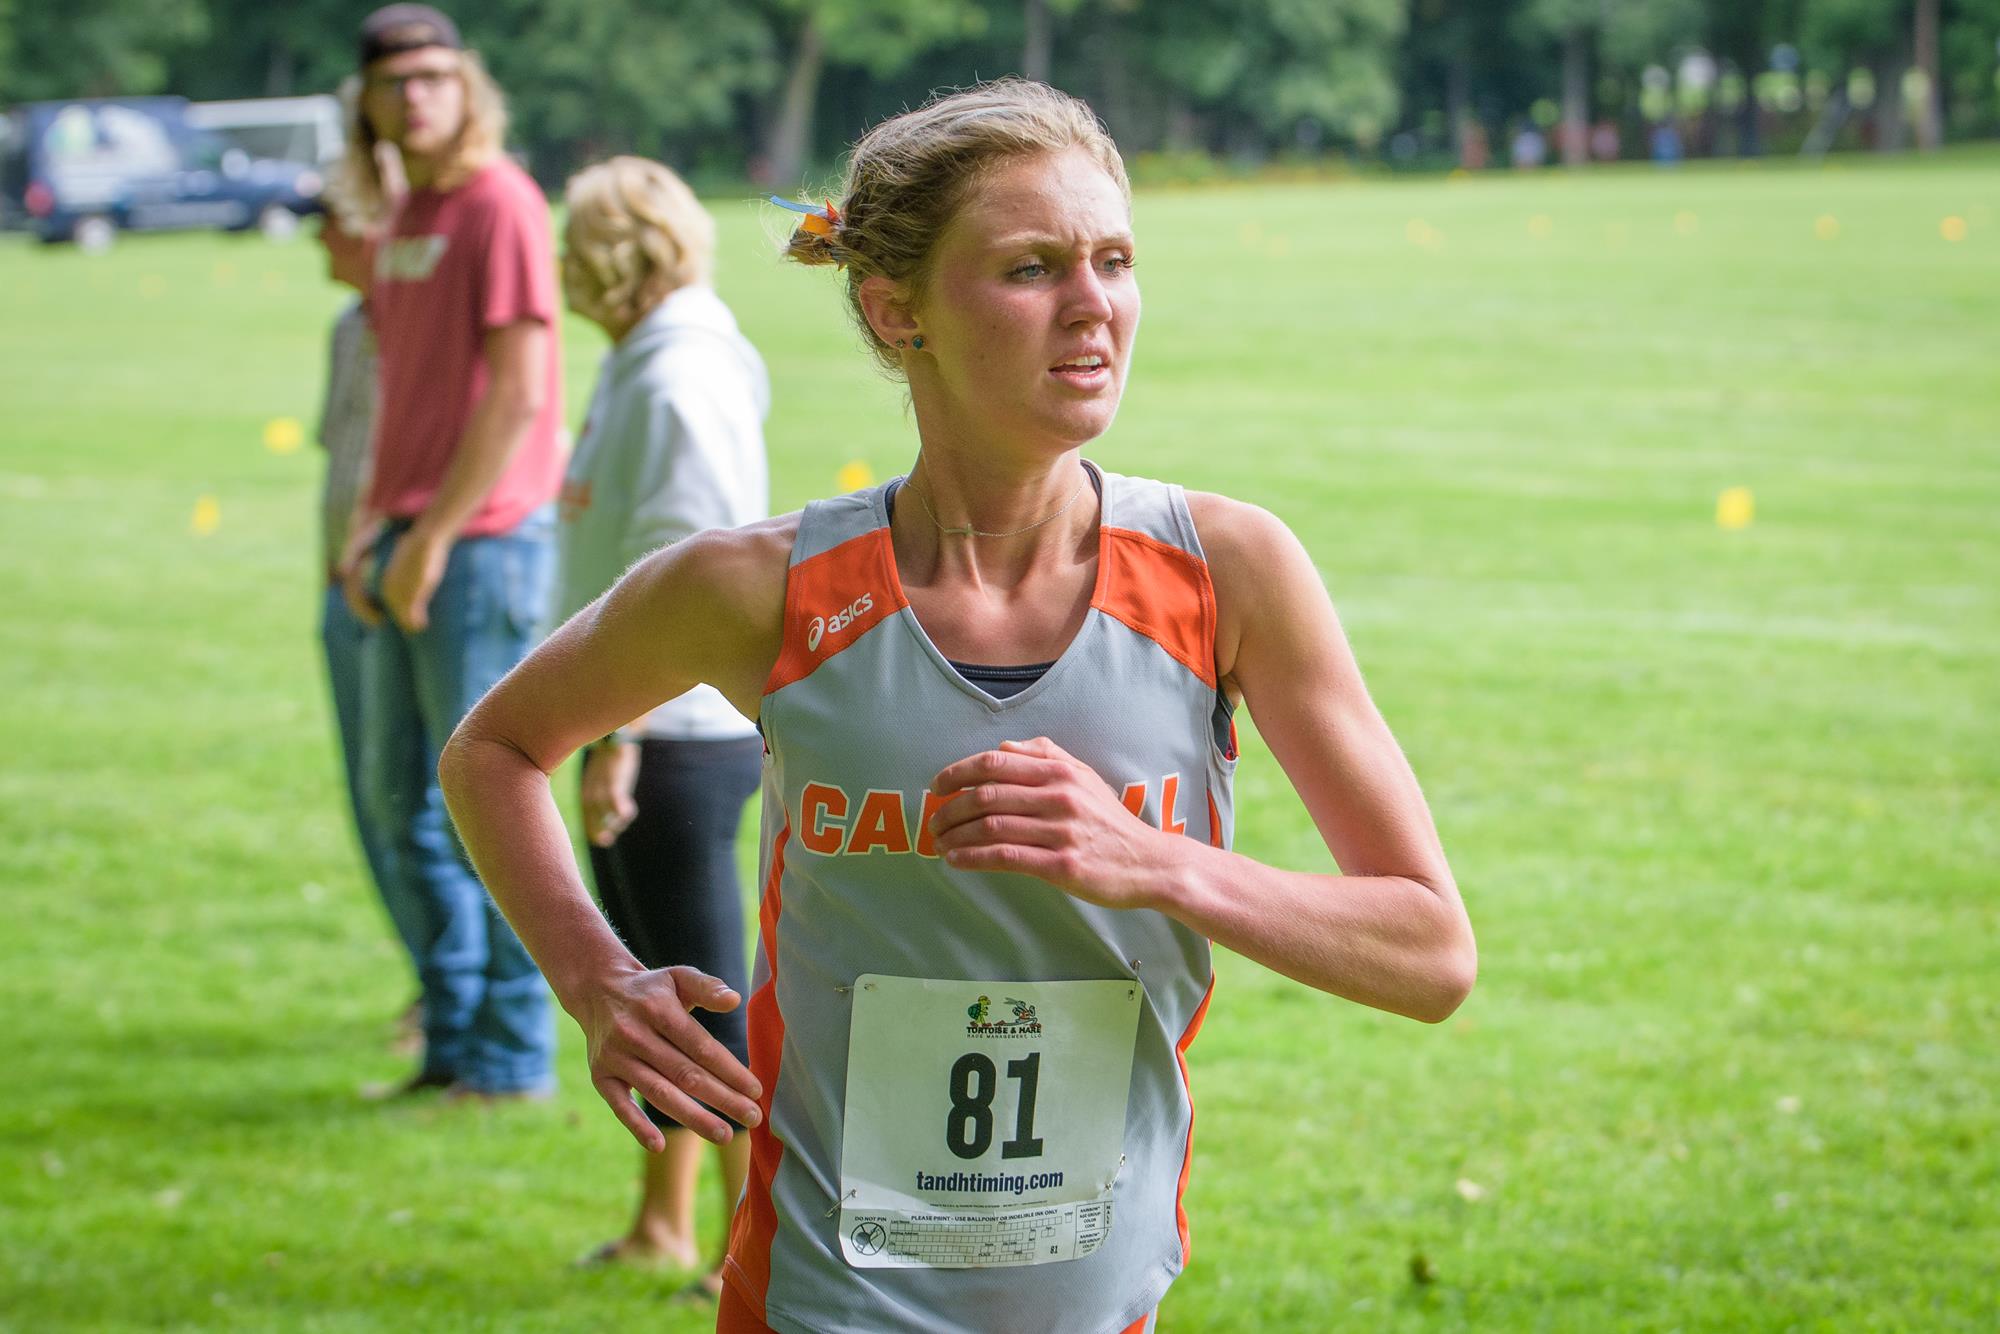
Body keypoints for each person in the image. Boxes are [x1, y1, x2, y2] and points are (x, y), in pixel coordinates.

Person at [440, 79, 1476, 1333]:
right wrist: (594, 977)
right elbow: (493, 746)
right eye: (1032, 267)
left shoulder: (1228, 573)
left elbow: (1428, 951)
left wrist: (1154, 862)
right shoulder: (761, 589)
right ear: (897, 311)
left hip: (1098, 1304)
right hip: (816, 1297)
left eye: (1113, 259)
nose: (1093, 305)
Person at [337, 3, 565, 1100]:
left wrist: (428, 536)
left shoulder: (498, 203)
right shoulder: (404, 213)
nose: (415, 96)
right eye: (394, 81)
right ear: (367, 101)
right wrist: (368, 528)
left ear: (465, 86)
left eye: (434, 76)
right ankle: (451, 1046)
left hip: (478, 540)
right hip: (403, 533)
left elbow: (518, 390)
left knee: (485, 799)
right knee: (397, 803)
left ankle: (513, 1055)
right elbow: (401, 391)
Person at [555, 156, 770, 1283]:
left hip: (672, 732)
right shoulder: (655, 355)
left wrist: (617, 734)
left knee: (697, 995)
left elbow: (681, 554)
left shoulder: (679, 371)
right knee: (653, 983)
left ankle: (751, 1242)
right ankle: (663, 1218)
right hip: (647, 721)